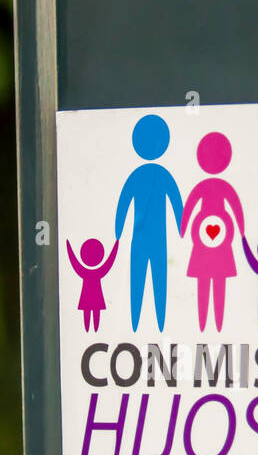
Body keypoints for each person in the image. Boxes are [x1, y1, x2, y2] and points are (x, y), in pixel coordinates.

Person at [115, 115, 183, 332]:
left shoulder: (147, 175)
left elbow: (124, 204)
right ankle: (139, 323)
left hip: (147, 239)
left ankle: (156, 323)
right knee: (148, 279)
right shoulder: (157, 175)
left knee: (152, 279)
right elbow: (176, 203)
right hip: (150, 239)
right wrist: (182, 228)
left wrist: (118, 231)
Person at [181, 132, 245, 332]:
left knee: (218, 281)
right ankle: (203, 324)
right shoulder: (205, 187)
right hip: (203, 243)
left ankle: (217, 324)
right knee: (207, 281)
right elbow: (190, 207)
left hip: (221, 242)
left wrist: (241, 232)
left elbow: (236, 208)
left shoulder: (220, 187)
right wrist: (183, 230)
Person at [65, 238, 119, 331]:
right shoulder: (98, 272)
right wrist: (116, 245)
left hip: (88, 296)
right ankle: (92, 330)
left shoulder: (85, 272)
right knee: (93, 313)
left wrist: (69, 246)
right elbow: (110, 261)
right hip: (94, 296)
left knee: (90, 312)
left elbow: (74, 262)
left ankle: (92, 330)